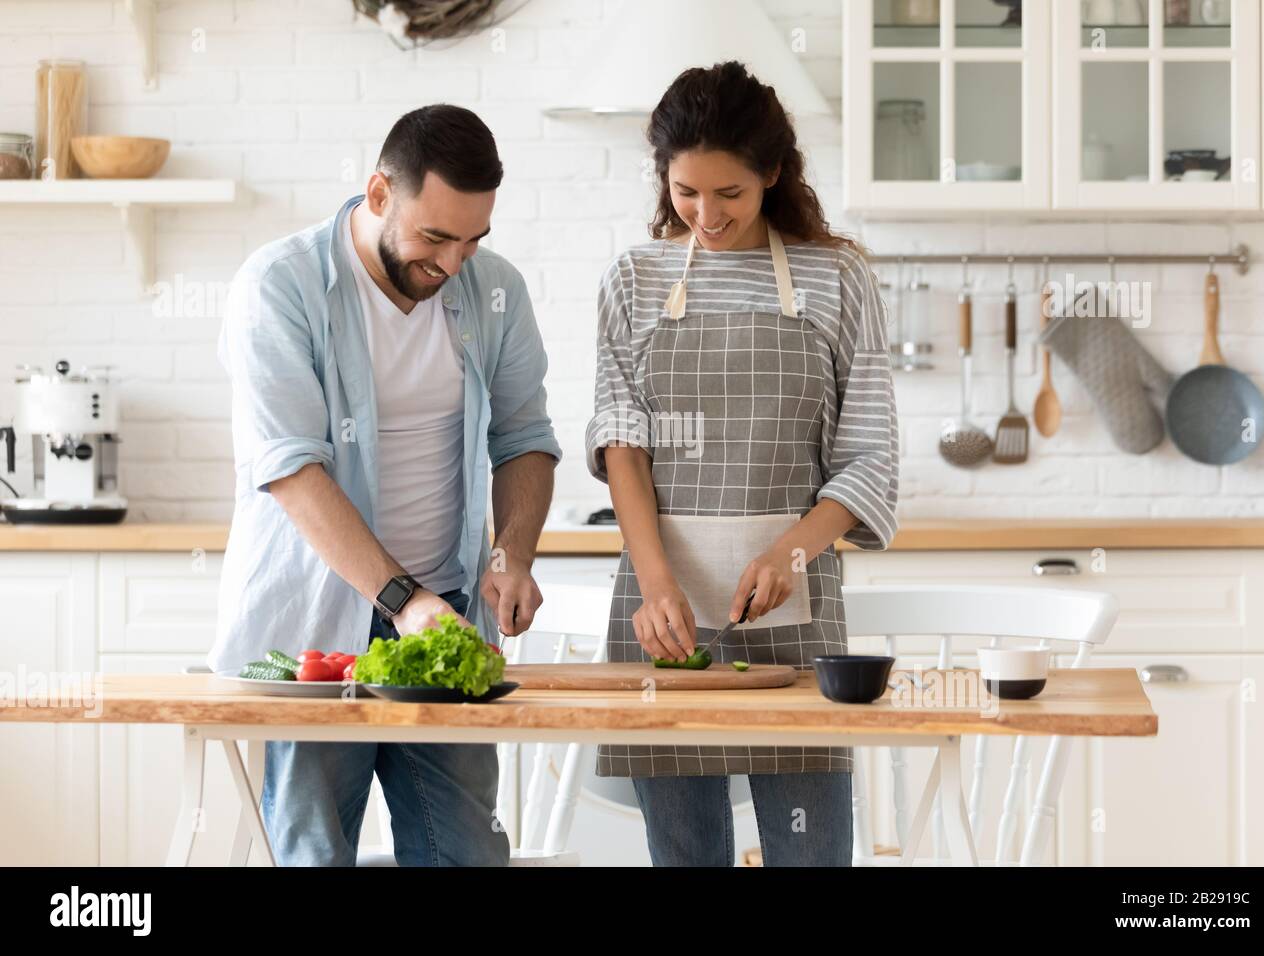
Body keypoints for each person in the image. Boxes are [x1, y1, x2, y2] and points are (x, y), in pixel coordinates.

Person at [211, 104, 561, 866]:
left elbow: (526, 440)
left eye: (473, 240)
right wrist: (404, 603)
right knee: (316, 853)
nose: (453, 264)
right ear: (377, 194)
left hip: (449, 620)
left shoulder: (493, 291)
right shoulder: (281, 285)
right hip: (319, 628)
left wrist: (512, 556)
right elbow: (292, 471)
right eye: (435, 237)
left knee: (467, 853)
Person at [585, 62, 899, 867]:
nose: (706, 215)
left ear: (772, 174)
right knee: (685, 855)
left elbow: (868, 453)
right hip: (665, 615)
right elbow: (623, 441)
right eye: (687, 192)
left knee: (812, 852)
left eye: (729, 194)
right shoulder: (634, 278)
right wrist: (655, 582)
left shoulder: (837, 277)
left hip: (795, 616)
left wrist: (794, 549)